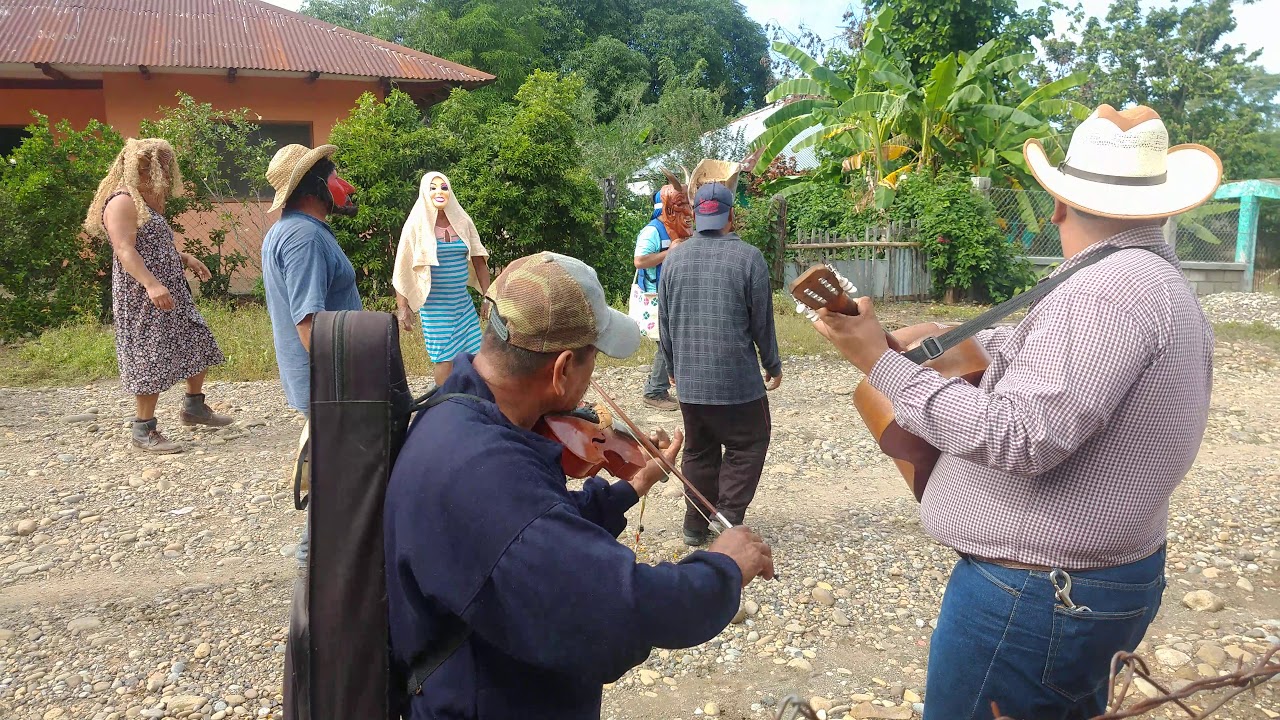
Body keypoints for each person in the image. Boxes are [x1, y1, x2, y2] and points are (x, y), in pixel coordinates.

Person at [806, 104, 1220, 720]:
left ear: (1057, 205)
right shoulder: (1145, 281)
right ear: (1160, 206)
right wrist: (940, 337)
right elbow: (1057, 358)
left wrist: (880, 364)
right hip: (1096, 576)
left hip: (1038, 593)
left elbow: (1024, 436)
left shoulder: (1104, 294)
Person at [384, 250, 775, 720]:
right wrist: (724, 569)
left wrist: (628, 489)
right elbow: (619, 608)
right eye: (593, 361)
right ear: (562, 368)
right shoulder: (486, 479)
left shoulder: (459, 408)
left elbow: (538, 531)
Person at [84, 138, 231, 454]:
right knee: (149, 358)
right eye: (158, 164)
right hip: (142, 298)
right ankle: (143, 429)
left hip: (171, 291)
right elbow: (125, 249)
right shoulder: (122, 202)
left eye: (166, 163)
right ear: (139, 166)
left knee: (197, 340)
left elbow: (154, 248)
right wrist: (151, 285)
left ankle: (194, 407)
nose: (165, 169)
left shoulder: (144, 204)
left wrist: (185, 258)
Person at [658, 182, 781, 547]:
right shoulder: (749, 258)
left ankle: (695, 526)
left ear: (696, 215)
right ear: (731, 216)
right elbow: (762, 322)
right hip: (739, 383)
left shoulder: (675, 259)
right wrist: (772, 363)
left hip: (691, 384)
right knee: (749, 442)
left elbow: (664, 323)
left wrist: (671, 367)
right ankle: (727, 516)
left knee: (699, 449)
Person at [260, 142, 362, 570]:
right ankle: (311, 557)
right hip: (330, 378)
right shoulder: (303, 238)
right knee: (342, 467)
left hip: (324, 378)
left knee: (342, 463)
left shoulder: (294, 231)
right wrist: (349, 380)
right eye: (336, 176)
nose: (346, 186)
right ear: (315, 185)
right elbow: (310, 325)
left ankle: (326, 550)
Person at [393, 171, 492, 388]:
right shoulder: (416, 225)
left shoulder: (463, 221)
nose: (439, 191)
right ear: (425, 192)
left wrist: (487, 297)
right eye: (433, 187)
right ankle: (444, 405)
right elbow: (402, 267)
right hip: (435, 307)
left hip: (462, 304)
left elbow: (479, 260)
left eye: (444, 187)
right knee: (445, 360)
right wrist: (403, 307)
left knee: (475, 356)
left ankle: (471, 403)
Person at [632, 183, 692, 411]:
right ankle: (654, 391)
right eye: (680, 204)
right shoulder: (652, 230)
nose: (687, 210)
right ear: (666, 207)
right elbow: (639, 261)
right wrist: (670, 252)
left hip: (677, 294)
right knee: (666, 343)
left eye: (688, 203)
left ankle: (665, 386)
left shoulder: (683, 229)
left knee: (673, 341)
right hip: (655, 296)